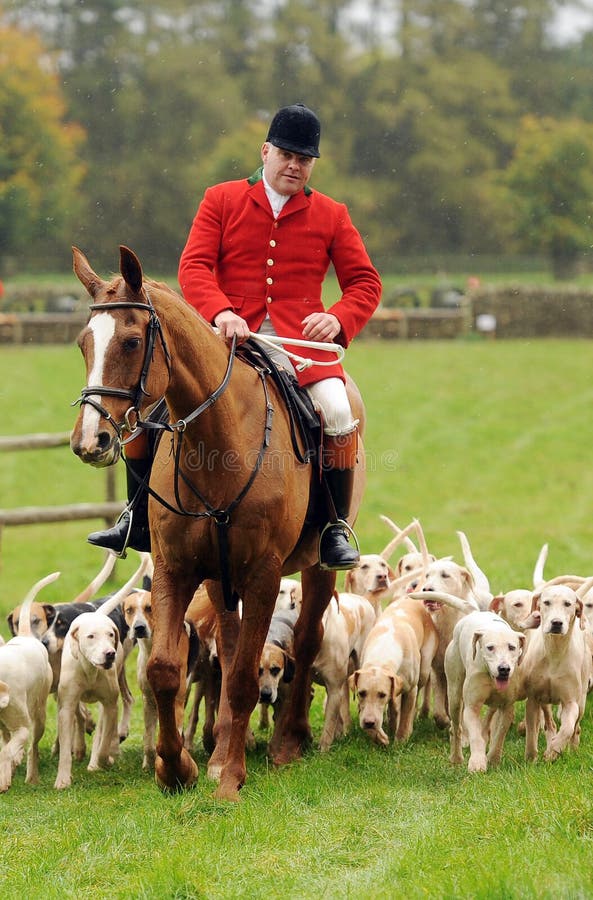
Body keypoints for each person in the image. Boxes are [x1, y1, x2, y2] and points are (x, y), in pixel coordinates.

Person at [88, 102, 382, 569]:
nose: (294, 165)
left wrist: (339, 320)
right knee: (148, 406)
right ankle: (137, 516)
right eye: (286, 154)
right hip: (224, 340)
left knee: (338, 410)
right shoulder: (221, 199)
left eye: (304, 159)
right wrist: (221, 310)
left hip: (299, 347)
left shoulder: (332, 214)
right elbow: (194, 266)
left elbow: (365, 282)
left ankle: (333, 529)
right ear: (265, 152)